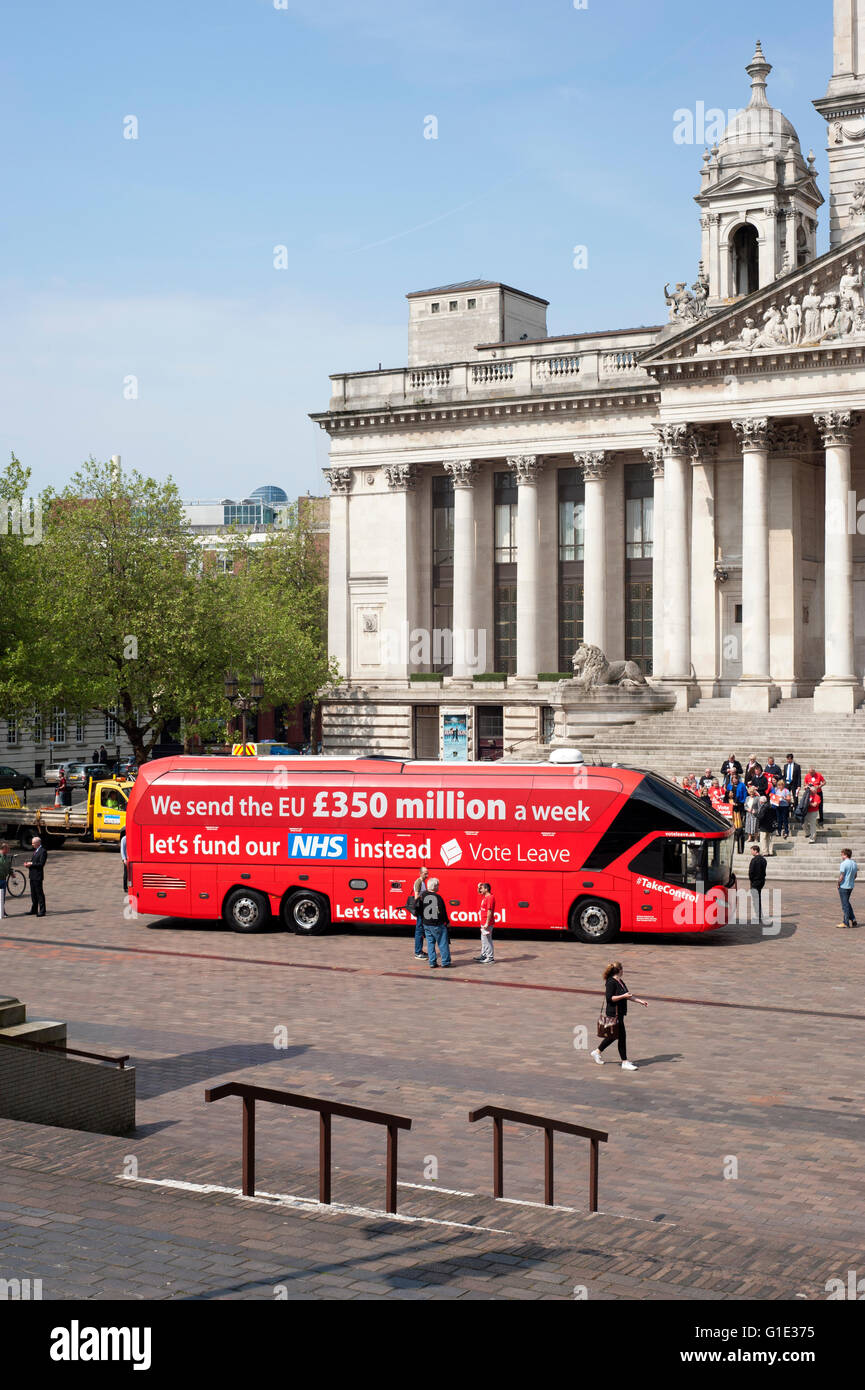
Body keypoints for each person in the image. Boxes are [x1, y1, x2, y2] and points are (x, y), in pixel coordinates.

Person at [590, 962, 648, 1071]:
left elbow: (628, 995)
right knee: (621, 1036)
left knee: (614, 1035)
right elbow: (610, 998)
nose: (623, 971)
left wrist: (640, 1001)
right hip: (613, 1013)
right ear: (619, 970)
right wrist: (623, 996)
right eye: (622, 969)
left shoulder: (620, 981)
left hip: (620, 1013)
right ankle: (624, 1062)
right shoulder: (611, 982)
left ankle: (597, 1052)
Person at [419, 876, 452, 968]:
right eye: (438, 885)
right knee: (442, 943)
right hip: (437, 924)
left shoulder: (424, 895)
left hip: (426, 923)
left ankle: (432, 962)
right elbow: (442, 911)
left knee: (430, 943)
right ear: (435, 886)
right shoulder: (438, 897)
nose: (438, 887)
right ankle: (445, 962)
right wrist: (447, 922)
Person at [24, 835, 47, 916]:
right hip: (32, 875)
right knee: (33, 893)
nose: (32, 844)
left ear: (38, 843)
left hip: (38, 876)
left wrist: (31, 864)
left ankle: (42, 910)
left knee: (39, 893)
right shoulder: (36, 850)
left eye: (33, 843)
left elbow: (41, 864)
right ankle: (34, 909)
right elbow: (34, 862)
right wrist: (28, 865)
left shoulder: (43, 851)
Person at [474, 882, 496, 964]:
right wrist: (478, 886)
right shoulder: (485, 896)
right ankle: (484, 955)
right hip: (483, 922)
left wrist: (487, 923)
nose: (480, 890)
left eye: (482, 888)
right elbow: (478, 892)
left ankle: (490, 957)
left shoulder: (490, 898)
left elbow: (489, 911)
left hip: (487, 923)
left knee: (487, 940)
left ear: (486, 889)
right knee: (484, 940)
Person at [837, 849, 858, 929]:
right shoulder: (854, 863)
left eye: (842, 855)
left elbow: (842, 876)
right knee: (847, 903)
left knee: (845, 905)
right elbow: (855, 875)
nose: (841, 856)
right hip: (850, 886)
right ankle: (853, 919)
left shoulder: (843, 864)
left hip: (844, 886)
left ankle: (846, 922)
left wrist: (838, 883)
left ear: (845, 855)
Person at [411, 865, 428, 960]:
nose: (427, 875)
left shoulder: (423, 882)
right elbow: (416, 896)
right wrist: (424, 897)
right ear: (421, 873)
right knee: (419, 930)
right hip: (420, 908)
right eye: (425, 873)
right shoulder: (418, 882)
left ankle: (420, 950)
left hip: (423, 908)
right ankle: (418, 952)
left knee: (421, 930)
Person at [726, 775, 746, 854]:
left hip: (739, 805)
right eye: (733, 779)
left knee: (739, 823)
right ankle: (732, 835)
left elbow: (744, 794)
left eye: (735, 778)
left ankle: (738, 835)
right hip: (731, 806)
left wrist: (741, 802)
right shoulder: (729, 786)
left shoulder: (742, 785)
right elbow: (727, 795)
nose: (734, 780)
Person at [748, 844, 767, 925]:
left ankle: (758, 915)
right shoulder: (763, 860)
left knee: (756, 899)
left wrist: (752, 881)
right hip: (762, 881)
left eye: (752, 850)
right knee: (758, 898)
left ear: (755, 851)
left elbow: (751, 872)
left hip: (755, 882)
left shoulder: (754, 860)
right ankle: (760, 914)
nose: (751, 852)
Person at [0, 840, 12, 920]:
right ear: (3, 848)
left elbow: (8, 867)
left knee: (2, 897)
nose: (9, 851)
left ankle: (2, 911)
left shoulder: (6, 857)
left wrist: (11, 873)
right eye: (7, 849)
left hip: (3, 879)